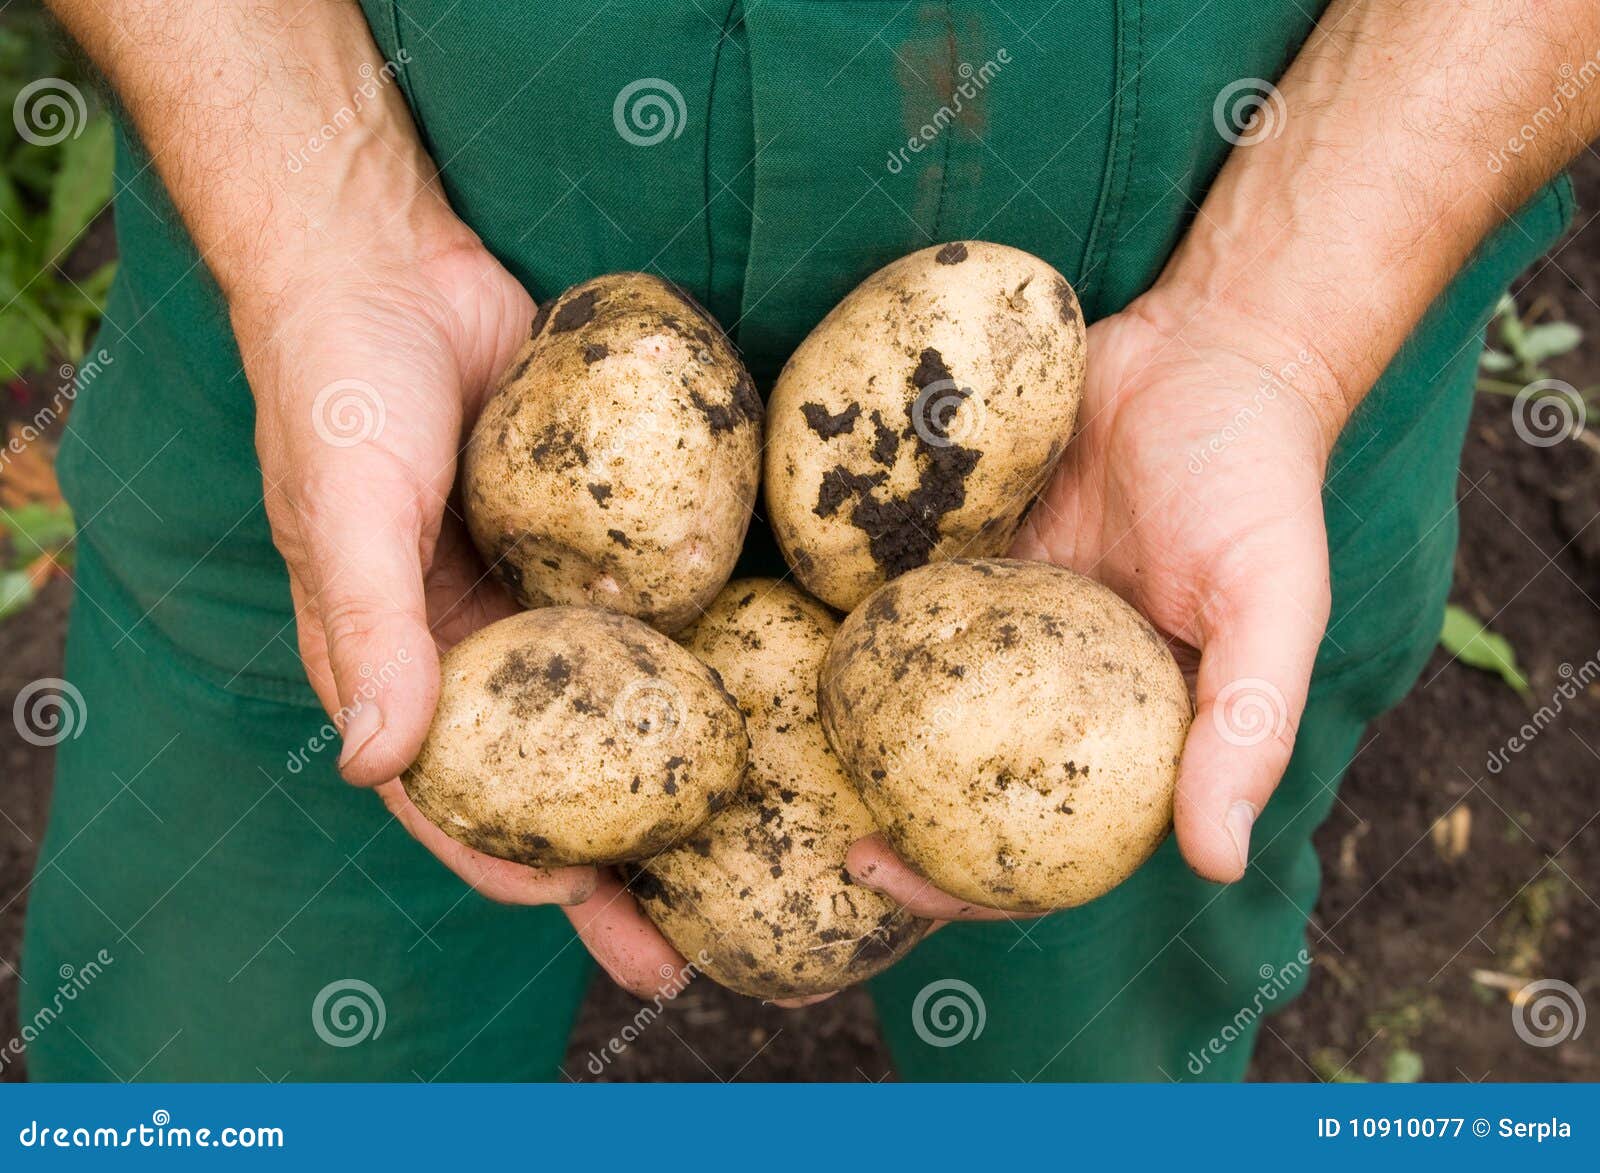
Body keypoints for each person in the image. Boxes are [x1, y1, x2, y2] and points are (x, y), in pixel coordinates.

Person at [19, 0, 1598, 1081]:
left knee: (1108, 1049)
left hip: (1202, 403)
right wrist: (311, 214)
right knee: (220, 1052)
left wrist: (1280, 328)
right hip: (366, 387)